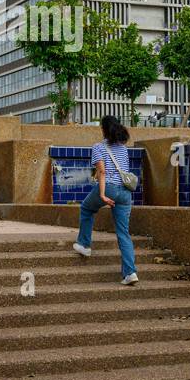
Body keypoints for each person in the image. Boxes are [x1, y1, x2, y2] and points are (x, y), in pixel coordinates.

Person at [73, 114, 138, 285]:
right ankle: (130, 273)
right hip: (125, 192)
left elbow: (103, 172)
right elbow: (121, 171)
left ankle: (84, 245)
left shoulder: (98, 147)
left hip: (109, 187)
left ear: (103, 129)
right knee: (123, 233)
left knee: (87, 208)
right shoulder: (123, 148)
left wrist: (102, 195)